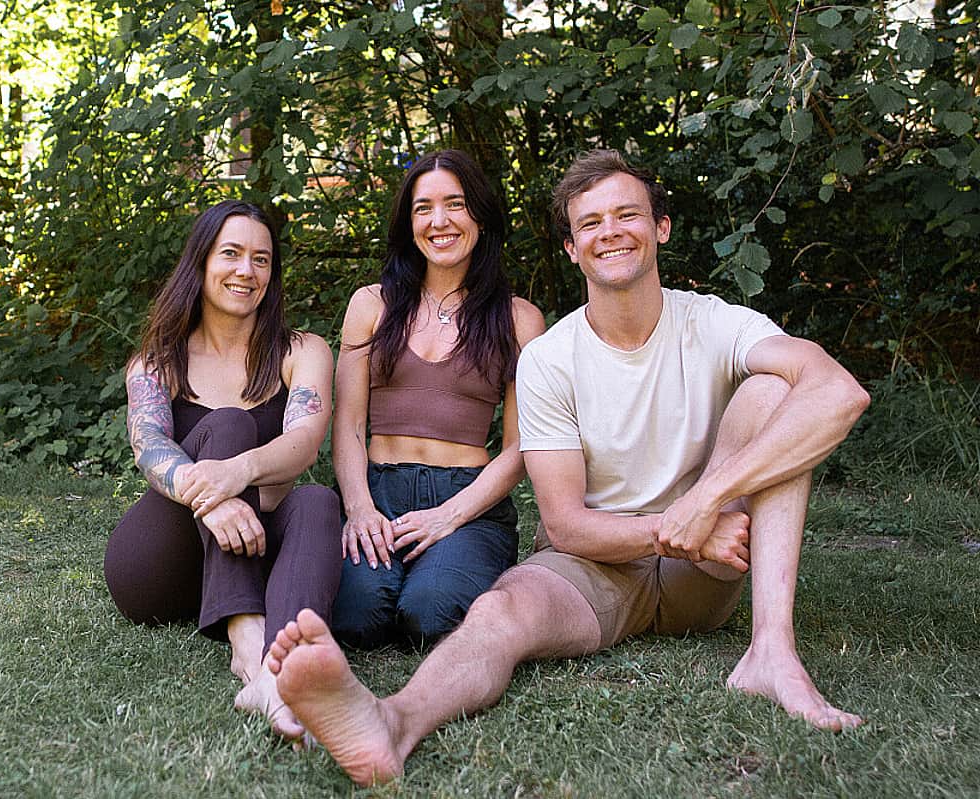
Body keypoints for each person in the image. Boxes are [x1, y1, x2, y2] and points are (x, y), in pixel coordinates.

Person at [265, 149, 871, 785]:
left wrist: (705, 503)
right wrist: (678, 522)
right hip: (594, 563)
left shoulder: (717, 323)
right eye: (591, 223)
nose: (610, 232)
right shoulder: (551, 357)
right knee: (498, 612)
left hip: (708, 555)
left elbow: (839, 394)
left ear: (660, 227)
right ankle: (391, 721)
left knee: (777, 390)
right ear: (571, 247)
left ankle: (772, 651)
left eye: (627, 215)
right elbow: (568, 527)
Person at [103, 200, 340, 744]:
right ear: (201, 262)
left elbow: (304, 444)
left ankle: (282, 674)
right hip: (160, 567)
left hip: (257, 544)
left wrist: (238, 474)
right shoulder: (157, 361)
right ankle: (247, 641)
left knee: (317, 502)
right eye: (230, 253)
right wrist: (216, 496)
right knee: (230, 423)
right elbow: (150, 446)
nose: (246, 270)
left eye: (261, 259)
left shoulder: (302, 351)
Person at [329, 149, 545, 647]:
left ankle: (465, 567)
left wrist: (451, 514)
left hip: (469, 497)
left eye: (456, 204)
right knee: (357, 618)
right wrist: (359, 508)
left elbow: (521, 447)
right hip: (377, 491)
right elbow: (347, 427)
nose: (439, 221)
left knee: (428, 615)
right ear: (409, 224)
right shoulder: (371, 305)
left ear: (482, 218)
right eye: (424, 208)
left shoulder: (519, 320)